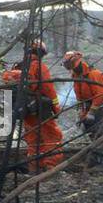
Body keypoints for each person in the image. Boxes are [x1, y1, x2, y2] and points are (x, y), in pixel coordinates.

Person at [4, 39, 63, 172]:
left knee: (32, 138)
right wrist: (56, 107)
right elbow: (48, 89)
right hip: (41, 108)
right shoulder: (39, 66)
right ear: (41, 53)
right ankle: (50, 166)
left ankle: (34, 166)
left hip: (25, 110)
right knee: (52, 136)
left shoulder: (18, 67)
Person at [61, 50, 103, 138]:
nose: (72, 68)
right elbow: (79, 95)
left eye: (71, 65)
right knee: (89, 131)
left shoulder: (94, 74)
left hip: (102, 109)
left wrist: (91, 112)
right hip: (89, 107)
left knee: (102, 134)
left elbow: (100, 95)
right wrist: (81, 111)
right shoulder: (76, 76)